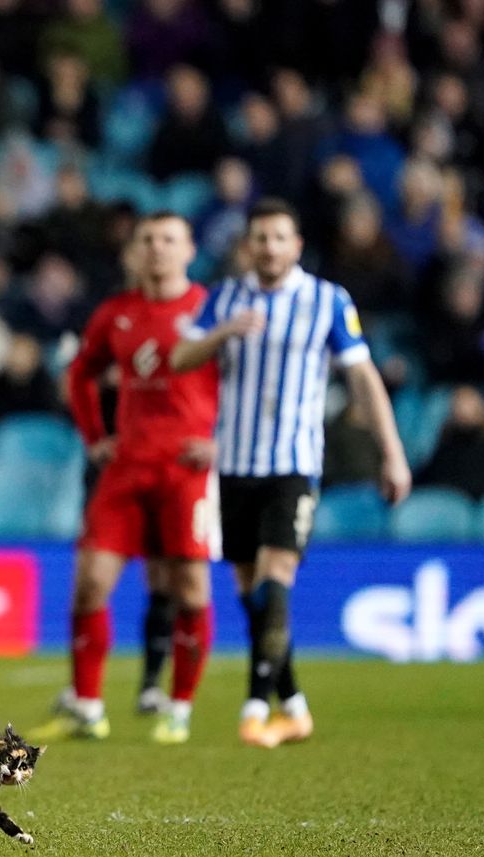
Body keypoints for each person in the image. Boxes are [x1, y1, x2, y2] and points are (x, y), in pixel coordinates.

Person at [171, 198, 410, 749]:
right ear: (248, 246)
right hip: (233, 465)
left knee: (276, 576)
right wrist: (222, 333)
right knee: (253, 591)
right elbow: (182, 358)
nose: (269, 247)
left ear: (296, 245)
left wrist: (391, 453)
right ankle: (295, 707)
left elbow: (363, 379)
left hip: (295, 463)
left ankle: (255, 710)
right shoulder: (225, 299)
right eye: (260, 237)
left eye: (280, 237)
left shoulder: (328, 300)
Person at [31, 213, 219, 746]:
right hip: (127, 466)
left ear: (189, 250)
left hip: (187, 469)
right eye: (148, 240)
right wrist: (95, 436)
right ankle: (87, 706)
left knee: (190, 587)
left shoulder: (210, 310)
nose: (158, 249)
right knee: (90, 582)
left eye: (169, 240)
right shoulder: (116, 314)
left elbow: (253, 380)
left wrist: (225, 438)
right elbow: (79, 373)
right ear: (136, 251)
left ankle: (179, 707)